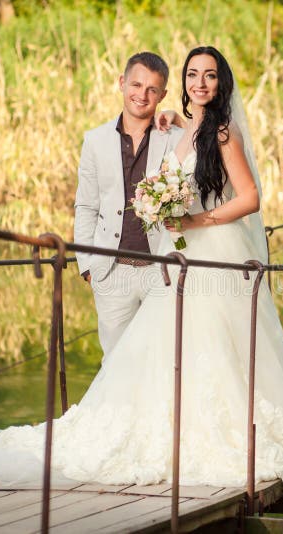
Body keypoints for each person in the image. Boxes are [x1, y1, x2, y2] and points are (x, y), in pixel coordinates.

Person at [0, 46, 283, 506]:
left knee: (215, 344)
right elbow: (95, 201)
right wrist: (93, 262)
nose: (201, 83)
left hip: (203, 252)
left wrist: (197, 221)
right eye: (194, 75)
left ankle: (210, 433)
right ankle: (162, 431)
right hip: (171, 255)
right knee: (159, 351)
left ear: (220, 82)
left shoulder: (221, 133)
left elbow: (249, 198)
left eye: (209, 76)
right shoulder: (180, 130)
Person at [73, 51, 183, 358]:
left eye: (152, 89)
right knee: (116, 363)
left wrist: (179, 118)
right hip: (111, 271)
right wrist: (88, 267)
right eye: (136, 84)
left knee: (164, 359)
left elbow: (210, 141)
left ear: (163, 94)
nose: (142, 95)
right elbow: (85, 206)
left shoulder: (174, 138)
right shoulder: (94, 141)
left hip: (161, 270)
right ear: (122, 83)